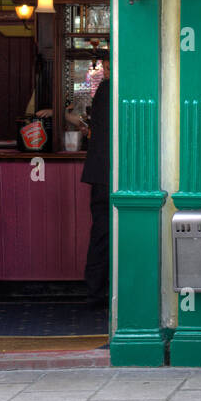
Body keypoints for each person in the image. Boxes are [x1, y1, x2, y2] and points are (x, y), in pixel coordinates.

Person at [81, 62, 111, 304]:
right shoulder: (111, 90)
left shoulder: (104, 91)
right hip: (109, 173)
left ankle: (95, 289)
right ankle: (98, 290)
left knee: (100, 232)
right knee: (105, 232)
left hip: (100, 172)